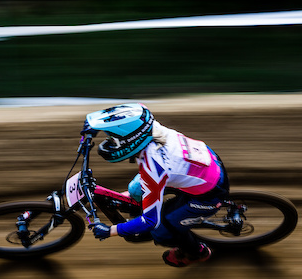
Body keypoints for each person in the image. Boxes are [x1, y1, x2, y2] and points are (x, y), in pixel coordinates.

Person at [81, 103, 229, 267]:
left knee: (161, 231)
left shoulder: (153, 169)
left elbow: (150, 222)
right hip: (206, 162)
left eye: (113, 138)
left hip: (210, 193)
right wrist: (96, 126)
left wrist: (110, 231)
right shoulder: (148, 125)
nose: (109, 141)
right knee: (135, 189)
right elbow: (134, 111)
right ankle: (144, 205)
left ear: (130, 140)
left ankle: (197, 252)